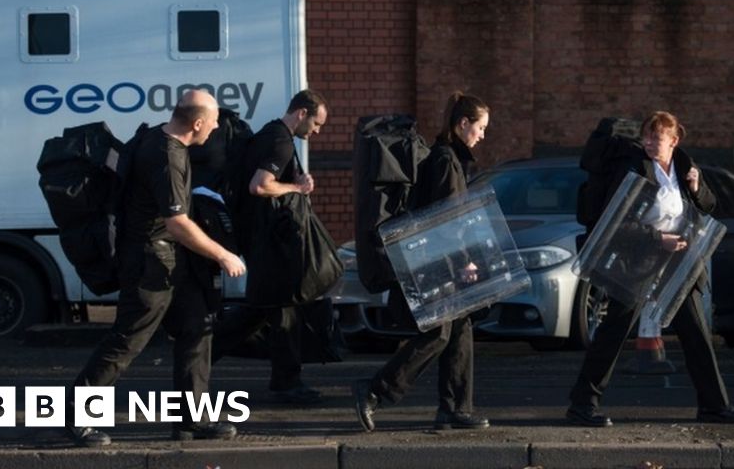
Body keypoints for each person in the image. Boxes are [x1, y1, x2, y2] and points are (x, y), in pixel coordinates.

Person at [68, 89, 246, 447]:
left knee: (197, 328)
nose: (214, 128)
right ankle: (75, 416)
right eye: (212, 122)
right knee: (129, 339)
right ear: (197, 123)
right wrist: (222, 255)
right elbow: (177, 221)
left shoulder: (154, 136)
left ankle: (191, 420)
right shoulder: (167, 155)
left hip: (169, 259)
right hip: (150, 262)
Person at [566, 111, 734, 427]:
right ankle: (582, 404)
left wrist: (695, 186)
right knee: (613, 332)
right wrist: (656, 239)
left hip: (678, 262)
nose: (649, 143)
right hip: (638, 262)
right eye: (646, 137)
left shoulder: (682, 168)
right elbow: (617, 222)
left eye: (657, 138)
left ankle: (714, 406)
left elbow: (708, 206)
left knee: (696, 334)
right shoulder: (633, 167)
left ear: (674, 141)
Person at [353, 91, 491, 432]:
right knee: (437, 336)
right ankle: (374, 391)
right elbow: (448, 219)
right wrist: (465, 261)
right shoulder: (445, 159)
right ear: (463, 124)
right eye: (481, 127)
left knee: (459, 332)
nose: (483, 135)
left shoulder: (447, 157)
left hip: (436, 261)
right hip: (438, 264)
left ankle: (455, 408)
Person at [210, 89, 329, 405]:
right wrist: (296, 186)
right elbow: (260, 185)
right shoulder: (279, 140)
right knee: (277, 307)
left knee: (270, 310)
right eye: (316, 124)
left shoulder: (270, 135)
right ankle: (283, 382)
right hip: (270, 241)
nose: (316, 132)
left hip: (263, 238)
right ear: (301, 113)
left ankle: (283, 379)